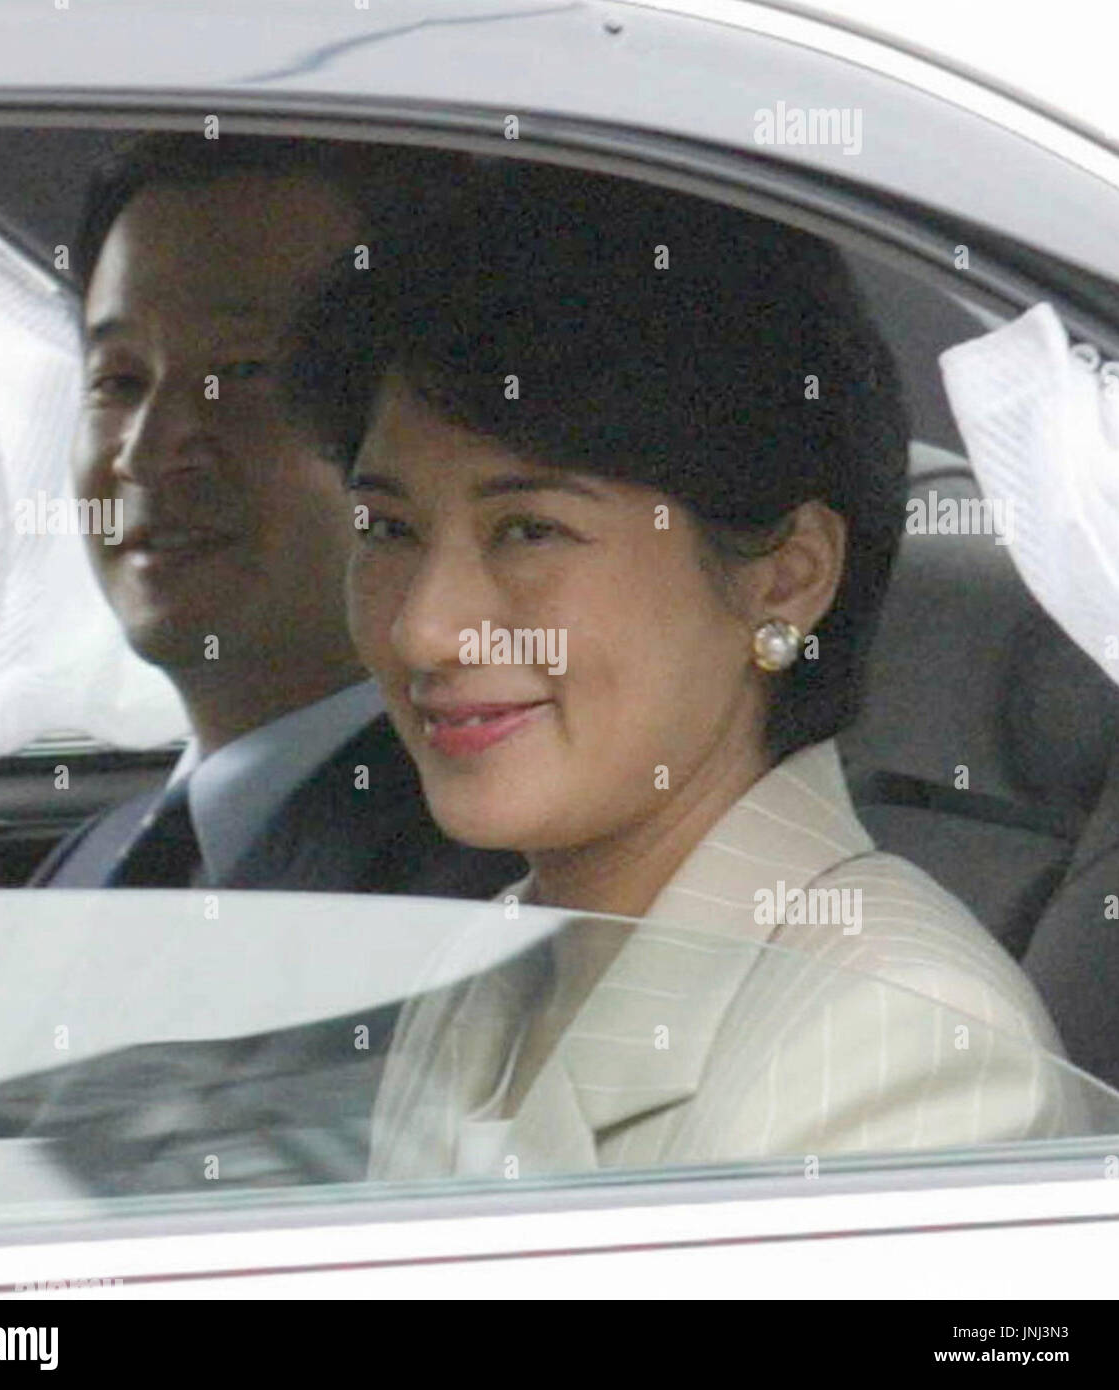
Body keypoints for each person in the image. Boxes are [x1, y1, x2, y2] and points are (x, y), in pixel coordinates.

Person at [281, 164, 1087, 1180]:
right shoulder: (490, 966)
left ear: (785, 580)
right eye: (389, 528)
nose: (425, 630)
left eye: (531, 530)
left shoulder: (905, 1049)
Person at [0, 135, 522, 1192]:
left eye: (248, 375)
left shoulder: (489, 908)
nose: (150, 446)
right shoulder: (91, 861)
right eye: (118, 378)